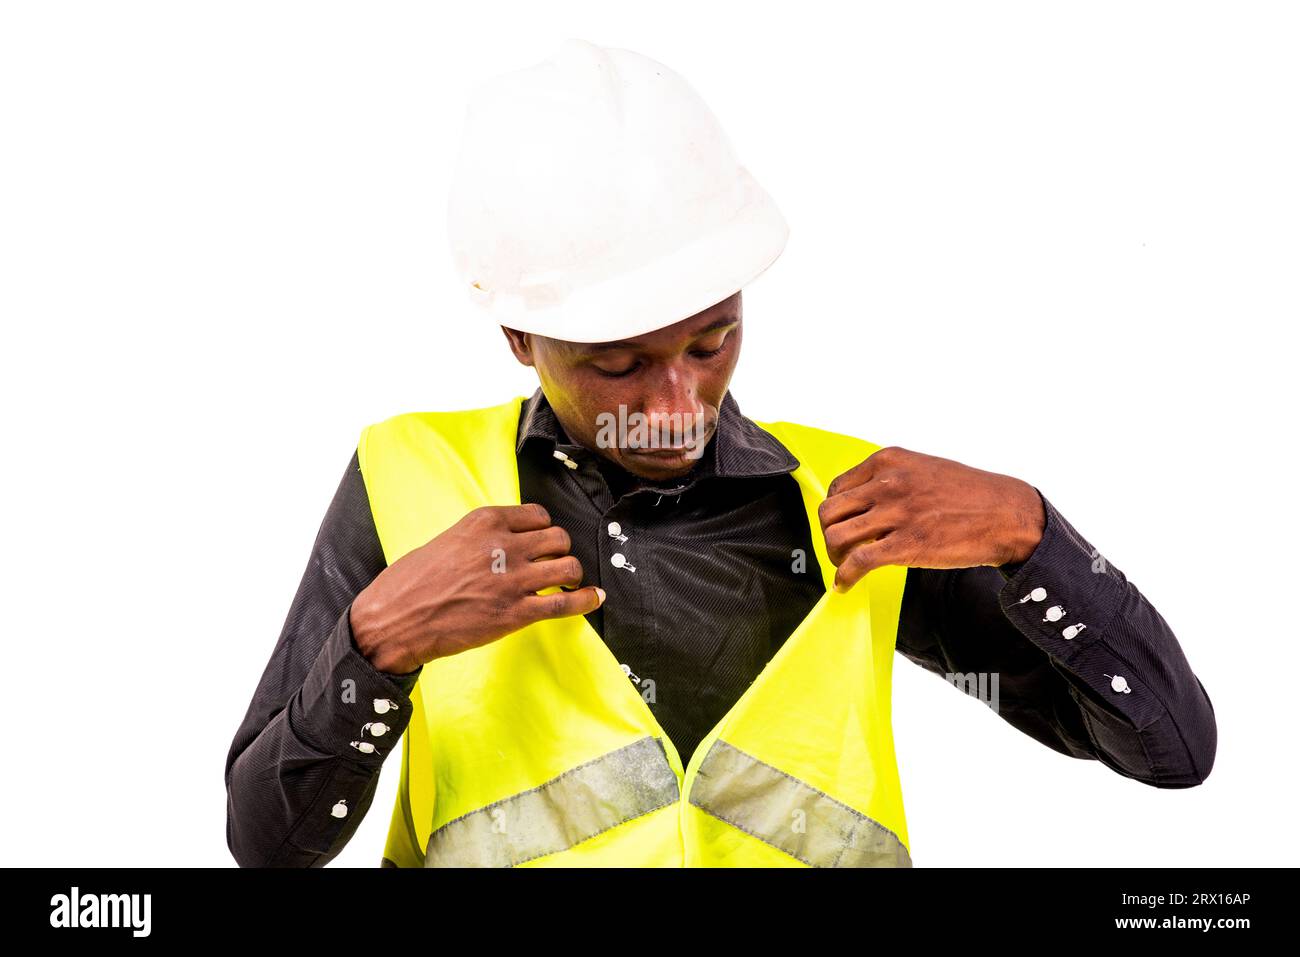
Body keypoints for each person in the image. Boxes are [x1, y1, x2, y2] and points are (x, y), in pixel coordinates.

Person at [225, 39, 1215, 868]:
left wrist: (1034, 540)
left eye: (713, 340)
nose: (677, 403)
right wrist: (374, 649)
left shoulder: (855, 508)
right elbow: (269, 846)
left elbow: (1168, 749)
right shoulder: (411, 481)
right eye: (617, 364)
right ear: (519, 337)